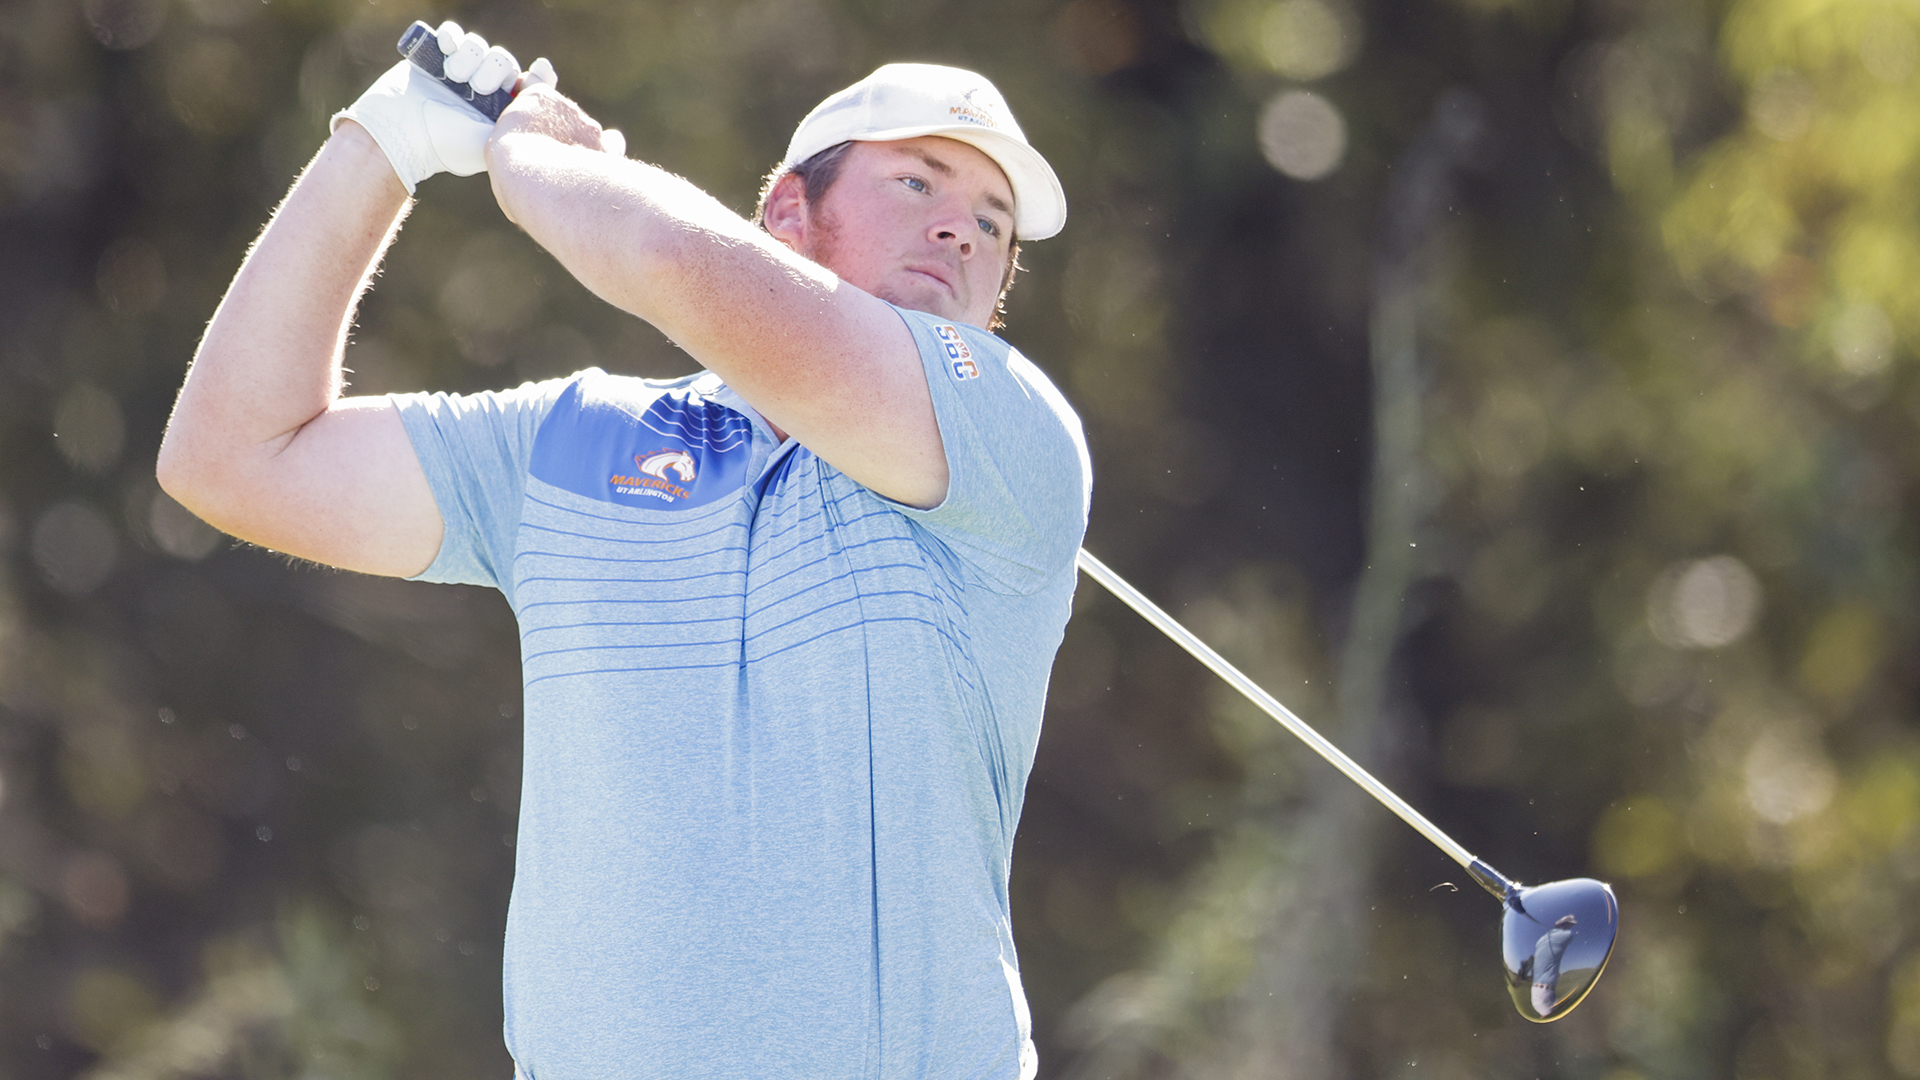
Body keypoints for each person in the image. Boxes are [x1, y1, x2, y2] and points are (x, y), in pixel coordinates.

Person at [157, 21, 1090, 1080]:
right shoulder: (575, 441)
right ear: (789, 211)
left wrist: (533, 154)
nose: (963, 230)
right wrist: (383, 146)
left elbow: (668, 258)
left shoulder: (1009, 436)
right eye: (918, 183)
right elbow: (233, 458)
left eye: (994, 222)